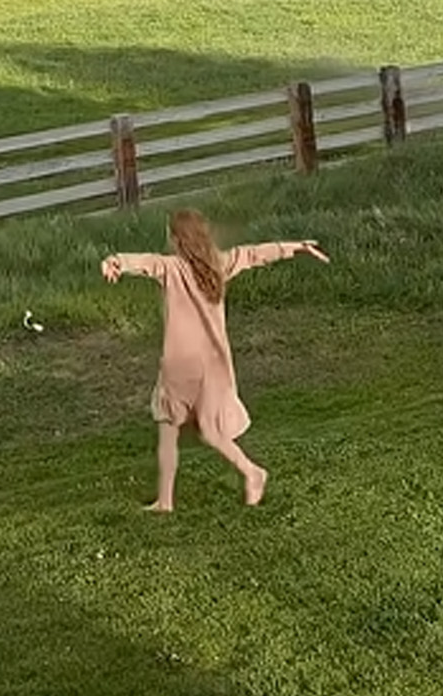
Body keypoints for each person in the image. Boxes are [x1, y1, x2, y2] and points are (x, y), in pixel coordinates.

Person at [101, 210, 329, 512]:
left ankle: (251, 472)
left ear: (175, 239)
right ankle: (166, 500)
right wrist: (294, 247)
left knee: (177, 429)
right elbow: (253, 254)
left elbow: (142, 262)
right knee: (185, 430)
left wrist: (114, 260)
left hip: (181, 365)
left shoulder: (171, 267)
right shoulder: (218, 264)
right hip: (208, 366)